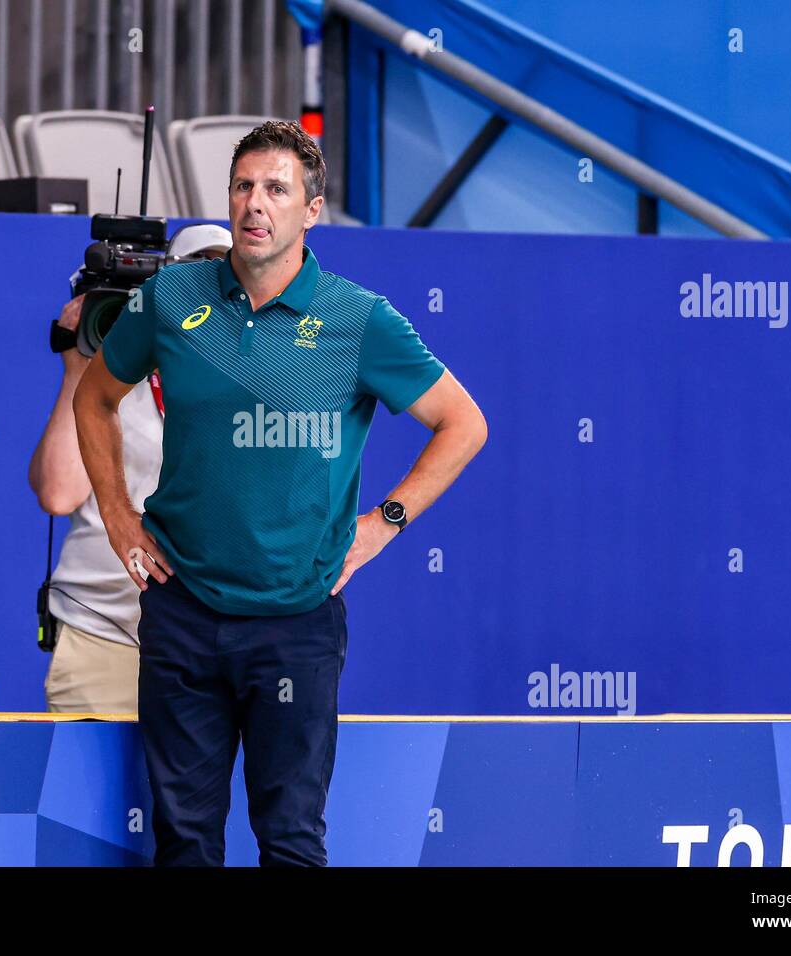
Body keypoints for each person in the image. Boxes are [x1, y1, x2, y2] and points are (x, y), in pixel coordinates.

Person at [73, 121, 488, 865]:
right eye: (243, 186)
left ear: (312, 210)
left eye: (275, 189)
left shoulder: (359, 319)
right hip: (182, 615)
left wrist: (383, 523)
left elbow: (463, 423)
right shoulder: (172, 297)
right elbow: (94, 399)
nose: (254, 204)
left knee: (291, 843)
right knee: (184, 845)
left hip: (296, 626)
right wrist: (117, 516)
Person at [27, 224, 232, 714]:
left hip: (212, 642)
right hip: (104, 633)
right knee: (85, 793)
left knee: (202, 794)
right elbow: (58, 493)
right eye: (191, 279)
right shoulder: (110, 381)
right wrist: (78, 367)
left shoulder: (251, 385)